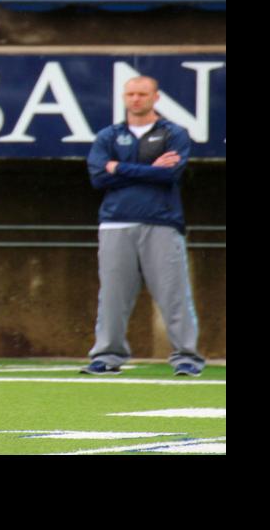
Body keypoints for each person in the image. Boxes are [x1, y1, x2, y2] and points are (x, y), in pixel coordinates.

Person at [82, 76, 205, 377]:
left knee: (174, 293)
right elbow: (98, 177)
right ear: (124, 97)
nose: (136, 99)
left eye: (142, 94)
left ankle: (186, 356)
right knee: (112, 296)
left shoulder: (173, 133)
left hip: (161, 221)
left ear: (155, 97)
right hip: (115, 222)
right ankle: (107, 356)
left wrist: (119, 168)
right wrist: (149, 170)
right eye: (131, 94)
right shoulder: (108, 136)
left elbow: (169, 175)